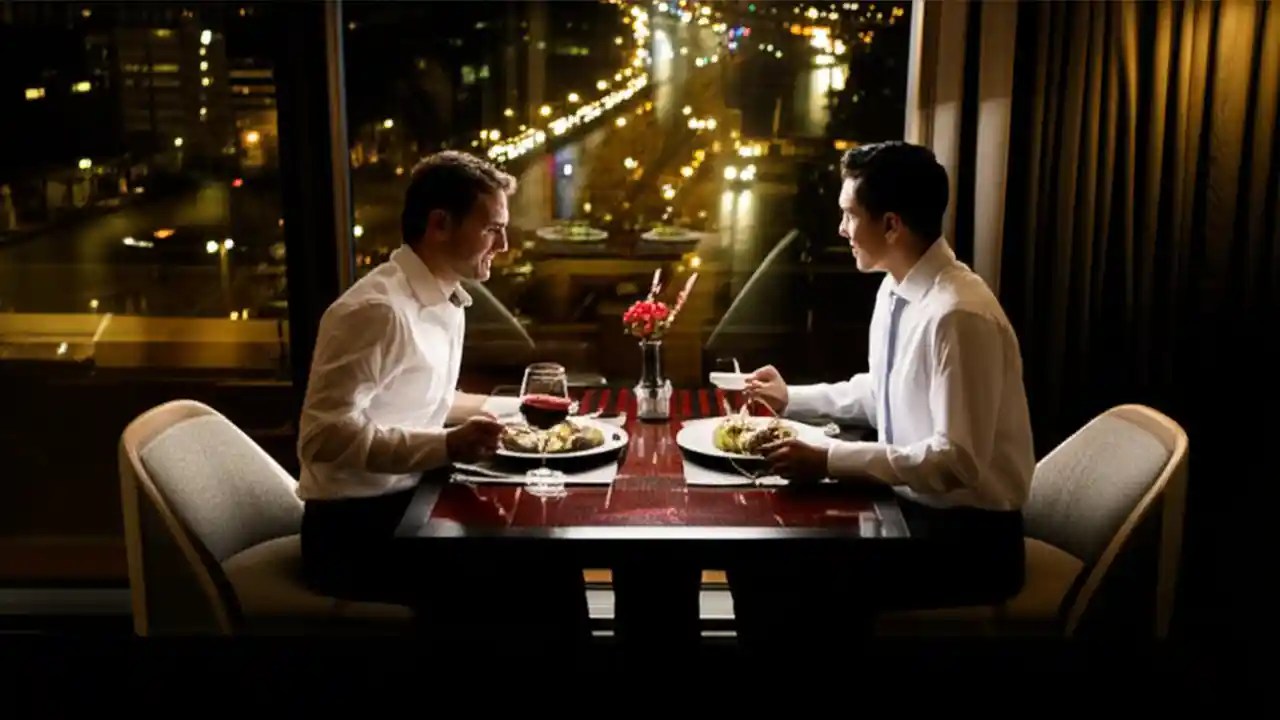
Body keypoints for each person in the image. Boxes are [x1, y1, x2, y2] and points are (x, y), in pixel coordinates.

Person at [729, 141, 1036, 649]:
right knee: (762, 560)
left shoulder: (958, 315)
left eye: (850, 216)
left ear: (891, 225)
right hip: (915, 513)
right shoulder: (897, 289)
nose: (841, 230)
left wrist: (830, 457)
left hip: (968, 544)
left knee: (775, 575)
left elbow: (956, 463)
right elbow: (884, 392)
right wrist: (791, 399)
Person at [296, 151, 591, 649]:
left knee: (549, 558)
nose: (505, 244)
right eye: (493, 229)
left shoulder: (443, 298)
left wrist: (517, 410)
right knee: (540, 573)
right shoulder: (377, 311)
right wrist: (447, 447)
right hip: (356, 534)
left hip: (408, 504)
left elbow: (426, 400)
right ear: (439, 224)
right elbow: (323, 437)